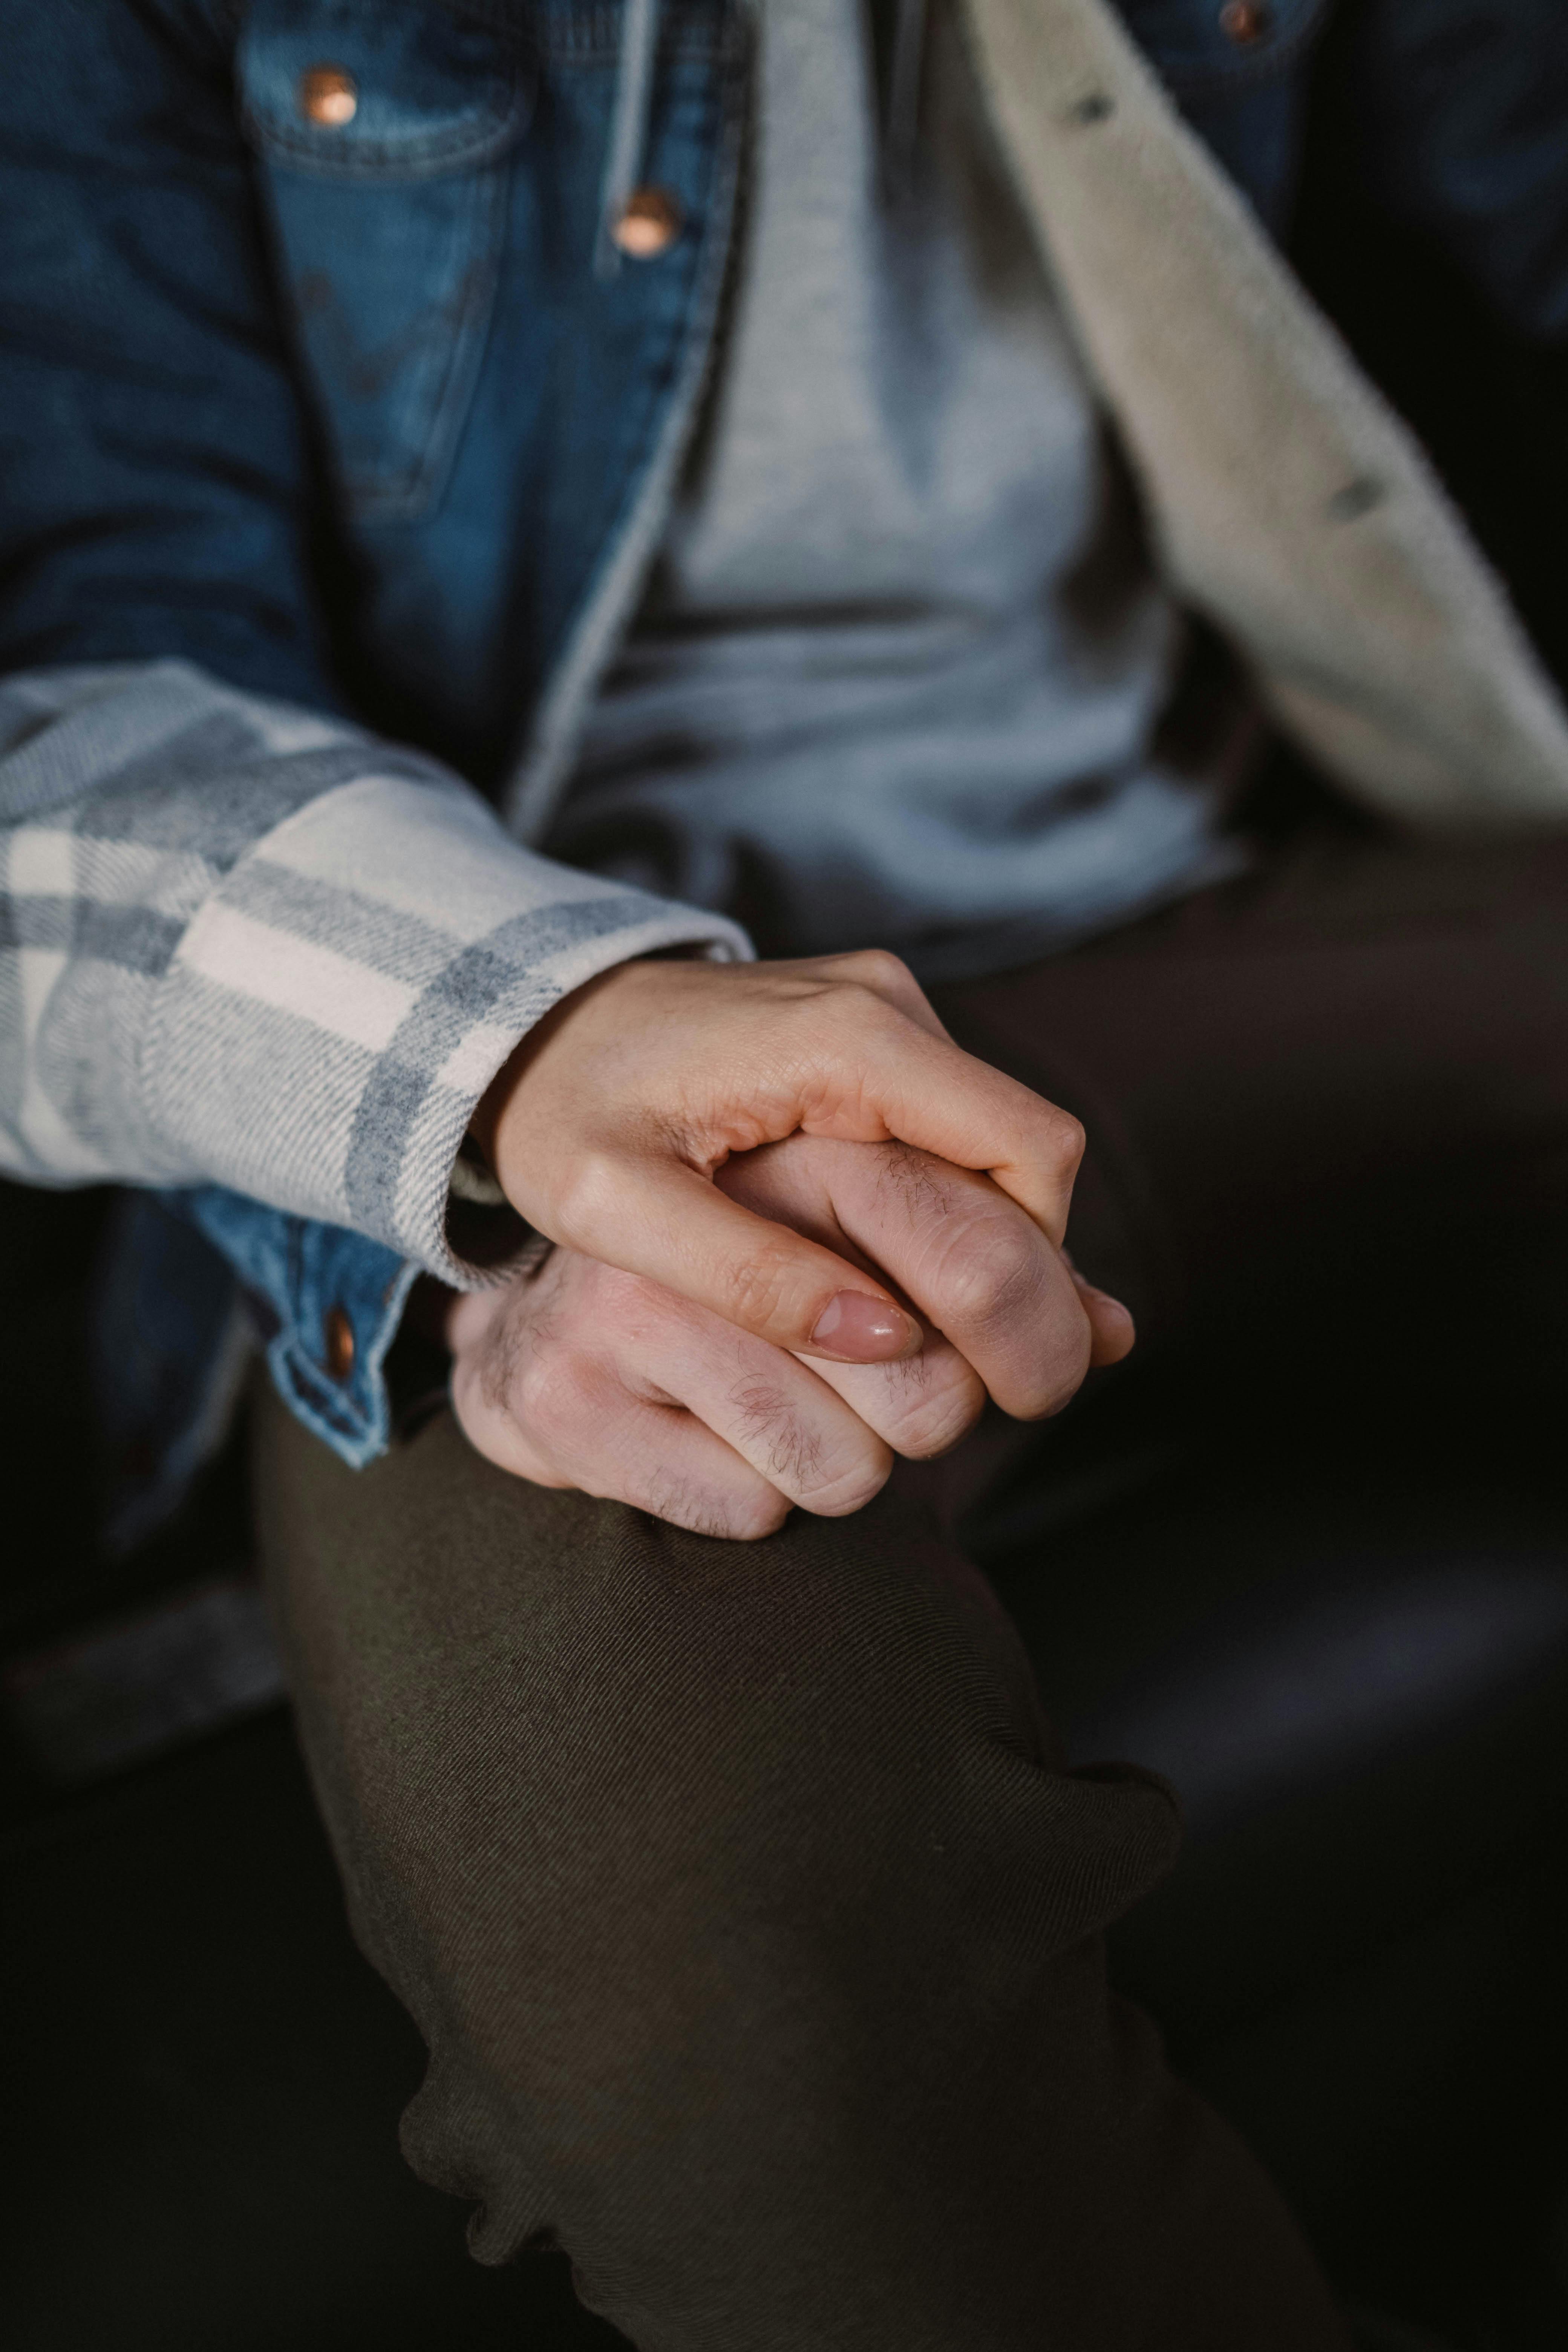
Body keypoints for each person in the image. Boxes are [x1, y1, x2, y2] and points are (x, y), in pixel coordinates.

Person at [4, 0, 1568, 2342]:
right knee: (716, 2013)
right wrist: (529, 1037)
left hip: (1254, 883)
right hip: (535, 1059)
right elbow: (61, 690)